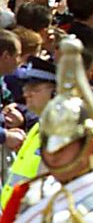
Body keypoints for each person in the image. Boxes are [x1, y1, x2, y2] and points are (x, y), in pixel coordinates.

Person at [0, 38, 93, 223]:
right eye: (48, 143)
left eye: (65, 144)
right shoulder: (24, 194)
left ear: (87, 144)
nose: (54, 153)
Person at [0, 56, 54, 209]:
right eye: (26, 88)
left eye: (35, 89)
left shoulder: (60, 131)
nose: (27, 94)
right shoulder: (39, 127)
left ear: (55, 91)